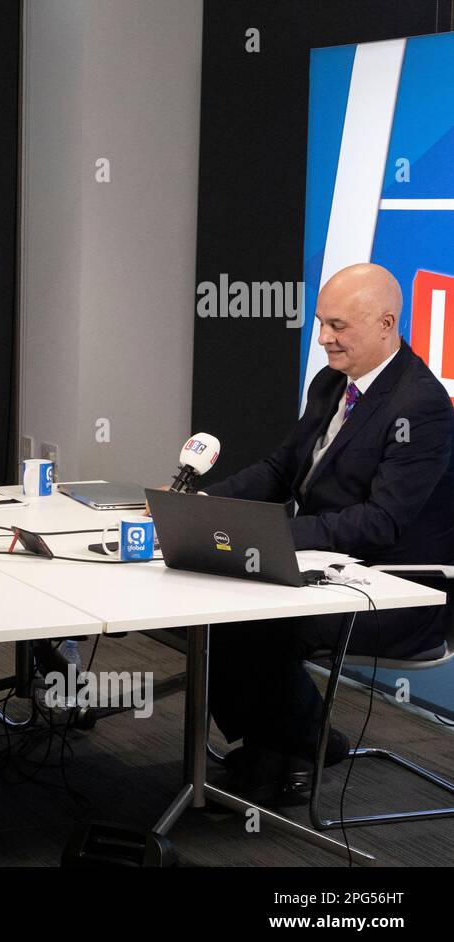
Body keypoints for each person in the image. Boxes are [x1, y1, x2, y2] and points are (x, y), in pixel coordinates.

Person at [201, 263, 454, 803]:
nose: (323, 339)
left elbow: (382, 522)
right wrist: (206, 503)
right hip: (328, 566)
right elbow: (281, 467)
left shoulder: (421, 406)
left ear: (386, 323)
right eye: (320, 323)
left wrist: (278, 532)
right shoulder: (330, 383)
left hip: (397, 589)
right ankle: (294, 742)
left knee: (252, 622)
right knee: (211, 603)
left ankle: (292, 746)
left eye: (338, 325)